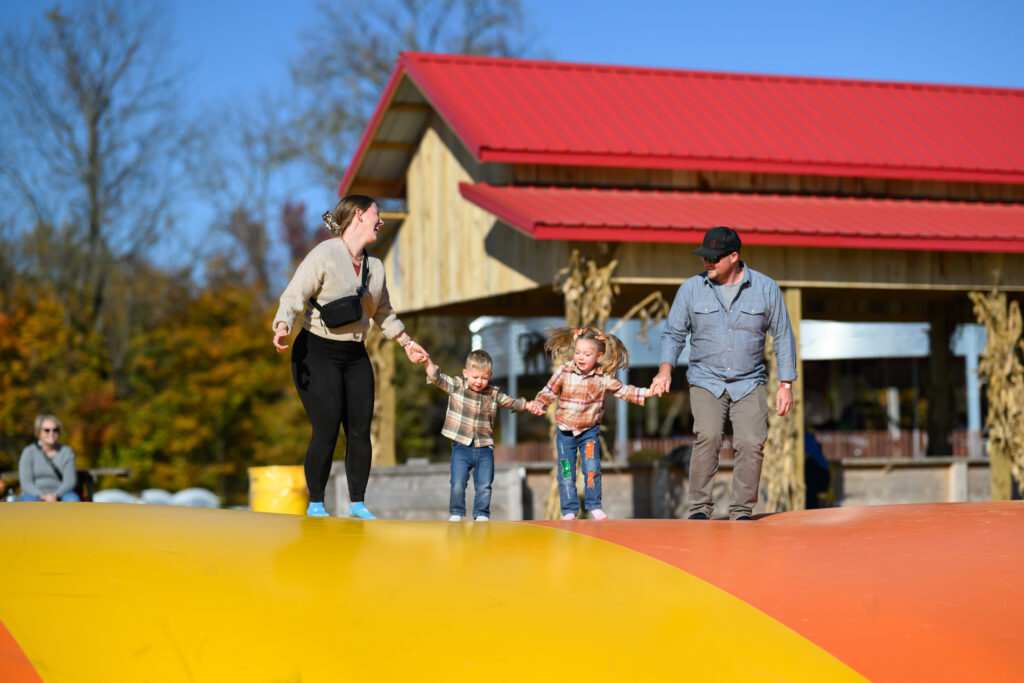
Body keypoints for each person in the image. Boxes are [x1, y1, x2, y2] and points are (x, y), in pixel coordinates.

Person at [272, 194, 427, 519]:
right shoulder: (325, 255)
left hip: (354, 354)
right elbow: (294, 293)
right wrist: (283, 323)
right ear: (359, 215)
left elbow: (383, 312)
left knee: (359, 430)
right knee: (326, 429)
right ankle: (316, 504)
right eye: (377, 214)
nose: (381, 221)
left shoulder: (375, 268)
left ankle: (357, 503)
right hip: (317, 350)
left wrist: (406, 341)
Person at [650, 226, 796, 521]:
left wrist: (786, 384)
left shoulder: (766, 289)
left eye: (714, 258)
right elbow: (674, 334)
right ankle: (699, 509)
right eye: (705, 257)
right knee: (709, 435)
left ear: (733, 256)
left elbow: (783, 336)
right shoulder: (691, 289)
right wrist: (664, 371)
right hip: (706, 379)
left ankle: (741, 511)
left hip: (749, 380)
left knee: (751, 442)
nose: (708, 263)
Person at [527, 327, 649, 520]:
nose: (580, 357)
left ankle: (594, 505)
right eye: (577, 353)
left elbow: (623, 390)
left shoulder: (603, 376)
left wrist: (647, 393)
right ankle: (569, 510)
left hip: (588, 432)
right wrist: (539, 403)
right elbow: (549, 391)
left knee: (591, 468)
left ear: (599, 355)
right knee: (566, 470)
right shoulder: (564, 370)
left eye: (587, 354)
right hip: (565, 432)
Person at [424, 349, 530, 522]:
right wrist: (426, 361)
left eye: (484, 377)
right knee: (458, 483)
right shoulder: (457, 386)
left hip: (484, 447)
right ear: (465, 373)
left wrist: (527, 405)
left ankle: (481, 514)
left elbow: (511, 402)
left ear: (490, 375)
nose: (479, 382)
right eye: (475, 377)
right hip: (461, 446)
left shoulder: (493, 393)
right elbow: (437, 377)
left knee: (485, 485)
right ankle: (457, 512)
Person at [17, 414, 80, 502]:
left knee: (72, 499)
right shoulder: (29, 452)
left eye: (55, 430)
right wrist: (42, 496)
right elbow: (26, 483)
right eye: (47, 430)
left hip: (61, 494)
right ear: (39, 433)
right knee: (28, 501)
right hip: (34, 495)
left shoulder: (66, 452)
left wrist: (56, 495)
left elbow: (70, 481)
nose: (51, 433)